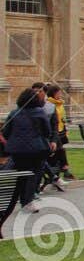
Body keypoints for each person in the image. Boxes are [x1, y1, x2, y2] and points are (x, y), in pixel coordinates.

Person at [1, 86, 56, 224]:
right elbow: (47, 131)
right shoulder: (40, 113)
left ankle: (15, 198)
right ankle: (27, 201)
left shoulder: (14, 113)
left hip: (18, 150)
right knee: (33, 174)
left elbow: (6, 131)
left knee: (19, 174)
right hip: (37, 149)